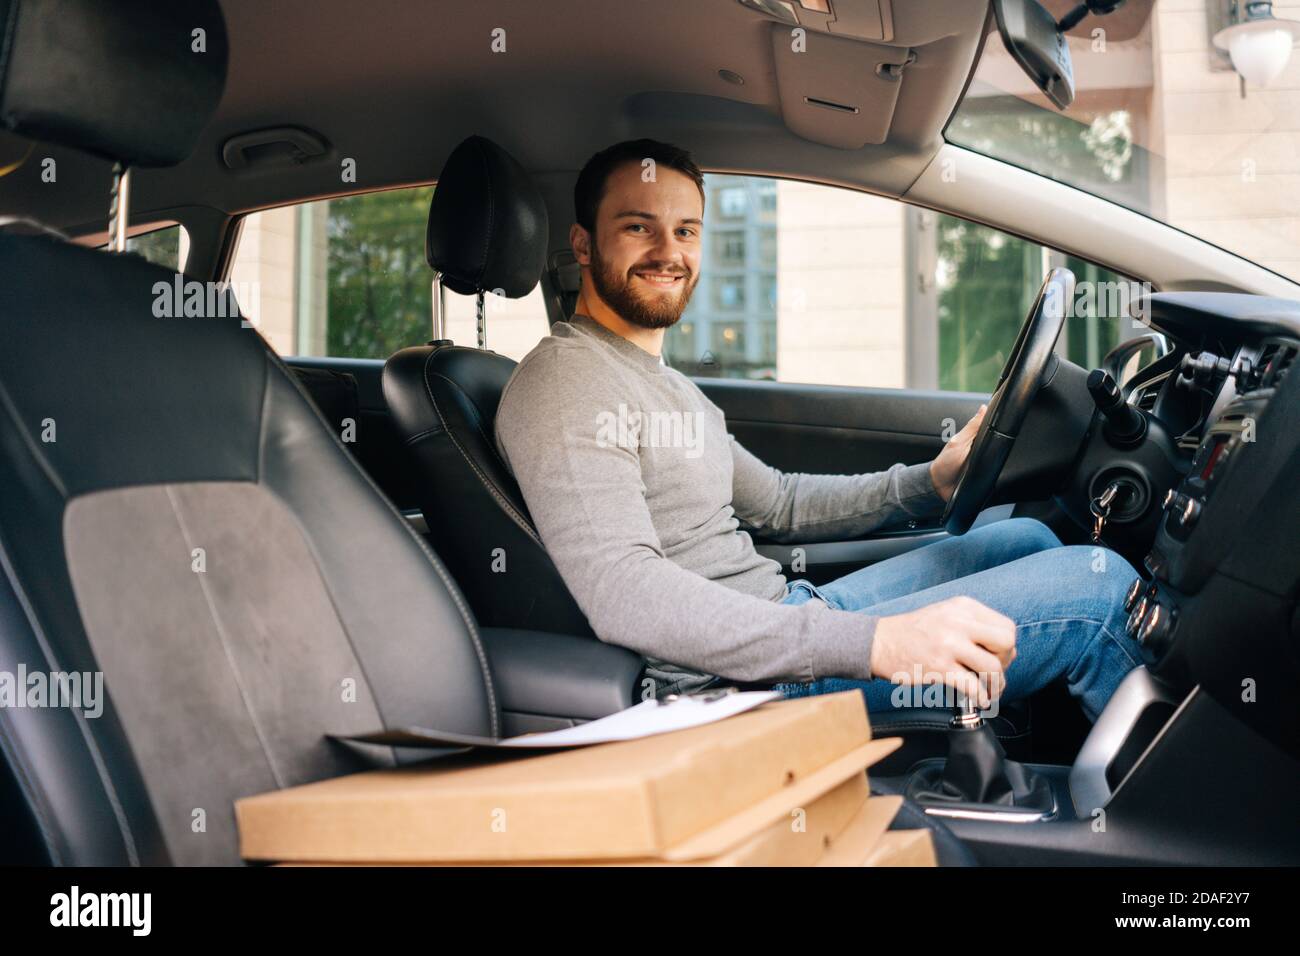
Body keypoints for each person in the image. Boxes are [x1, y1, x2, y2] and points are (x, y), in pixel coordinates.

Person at [495, 138, 1142, 722]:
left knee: (1025, 536)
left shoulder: (659, 380)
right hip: (730, 687)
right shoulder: (564, 383)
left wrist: (930, 483)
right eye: (640, 227)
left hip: (785, 616)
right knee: (1100, 588)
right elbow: (623, 592)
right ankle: (1171, 820)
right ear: (583, 244)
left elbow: (779, 502)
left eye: (686, 230)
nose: (669, 252)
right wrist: (873, 643)